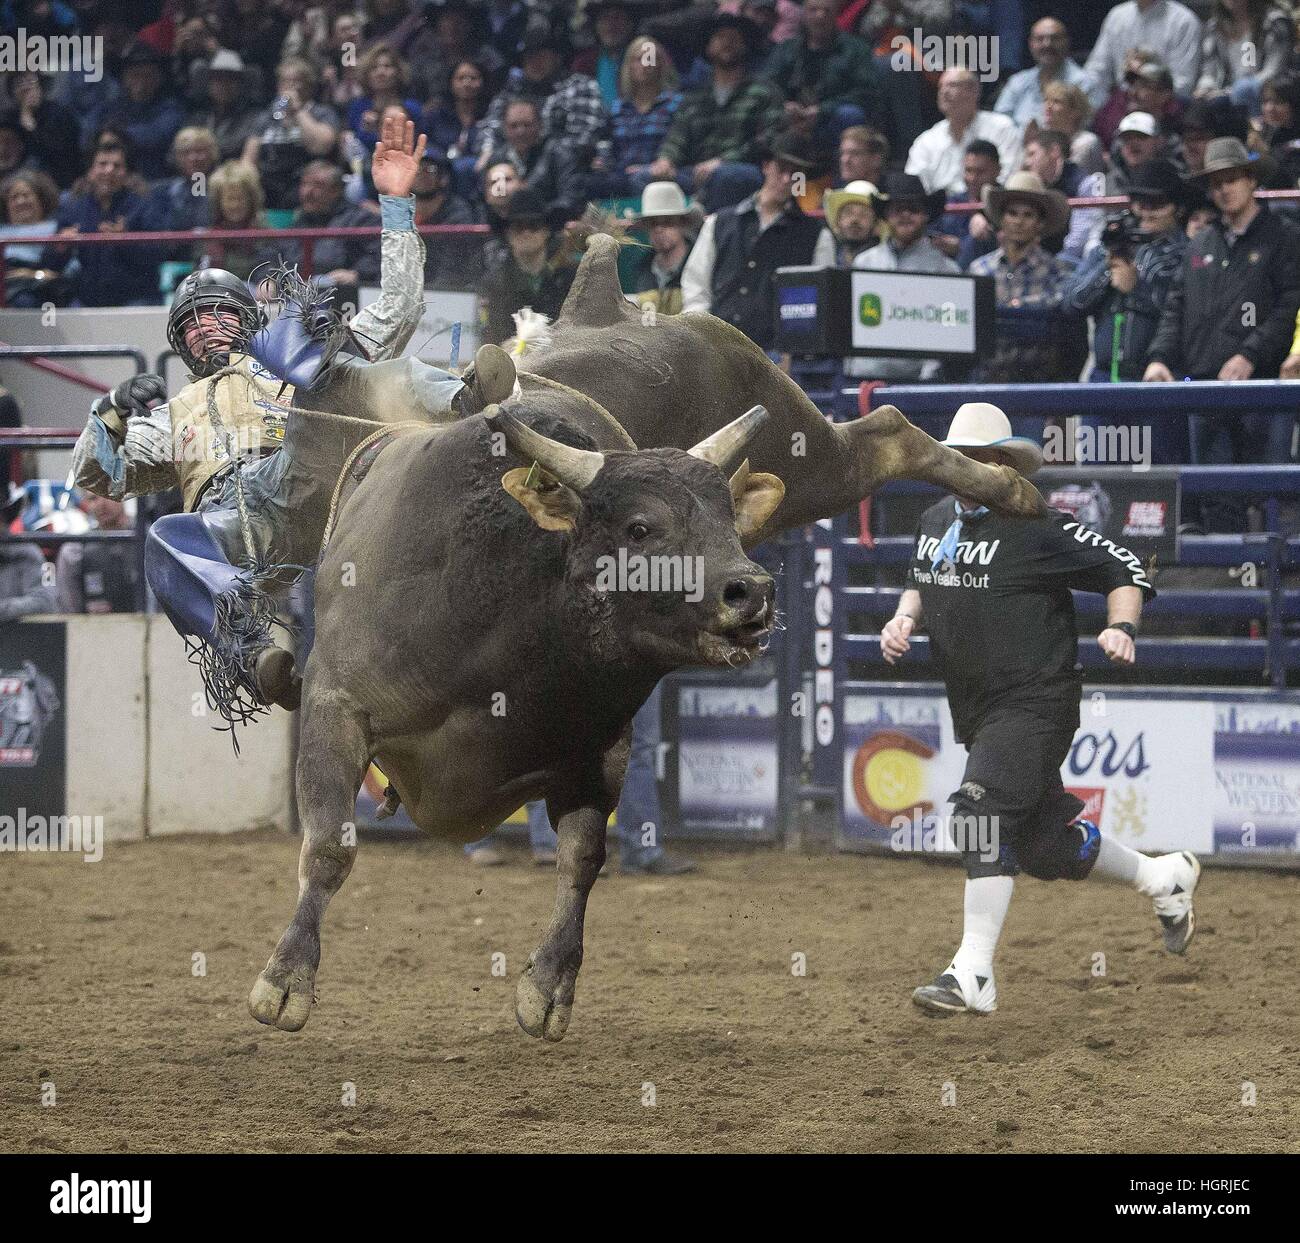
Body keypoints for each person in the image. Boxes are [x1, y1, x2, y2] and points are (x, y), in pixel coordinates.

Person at [69, 118, 514, 720]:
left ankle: (463, 406)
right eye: (191, 324)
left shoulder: (293, 365)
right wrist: (113, 411)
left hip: (319, 480)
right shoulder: (171, 414)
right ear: (181, 346)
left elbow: (401, 310)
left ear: (247, 319)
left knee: (335, 369)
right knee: (162, 541)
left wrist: (397, 205)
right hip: (240, 524)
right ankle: (250, 655)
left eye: (217, 313)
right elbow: (96, 477)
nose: (204, 328)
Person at [881, 401, 1198, 1017]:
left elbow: (1124, 568)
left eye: (972, 461)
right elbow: (922, 577)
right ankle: (1164, 878)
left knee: (977, 812)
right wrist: (903, 617)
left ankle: (973, 973)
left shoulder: (1038, 526)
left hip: (1037, 702)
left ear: (1001, 465)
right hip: (979, 709)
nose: (960, 472)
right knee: (1045, 844)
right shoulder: (934, 520)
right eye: (953, 461)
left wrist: (1121, 627)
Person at [1145, 137, 1300, 524]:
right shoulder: (1201, 242)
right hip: (1206, 385)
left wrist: (1251, 353)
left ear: (1251, 181)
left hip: (1263, 385)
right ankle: (1230, 577)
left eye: (1231, 179)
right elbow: (1177, 306)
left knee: (1268, 494)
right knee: (1217, 495)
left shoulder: (1283, 238)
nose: (1223, 189)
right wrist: (1160, 357)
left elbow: (1289, 307)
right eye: (1216, 182)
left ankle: (1267, 578)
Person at [467, 682, 697, 875]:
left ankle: (642, 849)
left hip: (642, 647)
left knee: (637, 748)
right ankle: (563, 847)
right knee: (571, 742)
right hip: (594, 644)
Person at [1066, 158, 1191, 463]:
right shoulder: (1110, 246)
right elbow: (1072, 303)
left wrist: (1135, 289)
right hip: (1105, 379)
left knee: (1158, 483)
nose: (1145, 210)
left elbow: (1182, 314)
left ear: (1176, 206)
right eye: (1139, 201)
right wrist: (1109, 271)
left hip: (1158, 380)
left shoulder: (1187, 253)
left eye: (1156, 202)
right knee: (1102, 482)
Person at [681, 133, 834, 349]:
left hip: (779, 355)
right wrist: (703, 337)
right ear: (766, 166)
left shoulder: (817, 235)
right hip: (719, 349)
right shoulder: (719, 223)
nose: (787, 179)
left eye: (796, 174)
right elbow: (696, 286)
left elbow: (818, 304)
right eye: (782, 169)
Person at [645, 11, 783, 213]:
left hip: (744, 171)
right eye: (719, 38)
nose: (726, 43)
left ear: (745, 46)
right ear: (707, 47)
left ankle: (710, 231)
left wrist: (723, 162)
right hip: (696, 173)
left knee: (725, 176)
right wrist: (666, 159)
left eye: (734, 38)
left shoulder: (764, 92)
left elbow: (768, 141)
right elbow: (677, 136)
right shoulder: (695, 97)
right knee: (645, 178)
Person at [968, 171, 1078, 388]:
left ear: (1039, 224)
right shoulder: (979, 269)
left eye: (1028, 215)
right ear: (1001, 219)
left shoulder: (1057, 271)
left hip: (1038, 382)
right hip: (986, 379)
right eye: (1012, 213)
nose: (1019, 221)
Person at [848, 172, 958, 382]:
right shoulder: (863, 263)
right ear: (887, 216)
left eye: (914, 209)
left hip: (919, 379)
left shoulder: (945, 268)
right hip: (866, 375)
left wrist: (929, 374)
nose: (905, 215)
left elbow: (949, 332)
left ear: (926, 215)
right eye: (898, 209)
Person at [42, 141, 165, 307]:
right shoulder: (74, 207)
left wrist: (125, 241)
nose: (109, 170)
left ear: (126, 174)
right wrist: (60, 247)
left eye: (117, 166)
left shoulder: (144, 205)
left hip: (136, 296)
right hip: (87, 298)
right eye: (102, 164)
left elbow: (158, 255)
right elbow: (50, 264)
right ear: (91, 172)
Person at [761, 0, 881, 154]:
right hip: (791, 119)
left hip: (831, 120)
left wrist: (822, 110)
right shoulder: (787, 48)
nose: (820, 16)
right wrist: (785, 105)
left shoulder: (855, 49)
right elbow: (766, 84)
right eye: (813, 10)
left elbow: (866, 92)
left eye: (826, 11)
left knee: (850, 114)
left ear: (836, 14)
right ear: (804, 14)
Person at [480, 187, 579, 346]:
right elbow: (496, 335)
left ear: (546, 231)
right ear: (508, 234)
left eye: (534, 225)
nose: (526, 232)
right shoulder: (495, 282)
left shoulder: (571, 277)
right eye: (518, 226)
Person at [241, 56, 341, 212]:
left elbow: (321, 146)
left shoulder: (322, 113)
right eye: (285, 81)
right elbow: (248, 159)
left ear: (309, 85)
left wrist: (298, 111)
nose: (290, 87)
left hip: (306, 186)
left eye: (296, 81)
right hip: (268, 187)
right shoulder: (267, 117)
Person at [905, 67, 1022, 196]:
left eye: (952, 85)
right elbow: (913, 185)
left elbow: (1010, 175)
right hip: (940, 212)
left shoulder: (1001, 128)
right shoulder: (926, 141)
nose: (944, 92)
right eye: (941, 87)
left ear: (974, 91)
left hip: (990, 207)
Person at [591, 35, 681, 198]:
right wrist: (602, 161)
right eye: (639, 59)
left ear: (661, 64)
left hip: (661, 173)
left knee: (640, 179)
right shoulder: (617, 109)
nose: (645, 65)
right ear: (629, 66)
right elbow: (609, 146)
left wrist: (658, 166)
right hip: (621, 175)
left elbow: (680, 144)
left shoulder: (676, 104)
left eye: (650, 58)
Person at [994, 16, 1105, 128]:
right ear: (1031, 44)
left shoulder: (1084, 83)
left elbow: (1086, 124)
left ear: (1066, 42)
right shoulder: (1017, 81)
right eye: (1040, 39)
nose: (1047, 44)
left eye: (1054, 38)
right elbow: (999, 121)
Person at [1085, 0, 1204, 100]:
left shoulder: (1184, 21)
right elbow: (1097, 71)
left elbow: (1183, 84)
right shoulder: (1117, 16)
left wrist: (1145, 94)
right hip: (1121, 103)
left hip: (1164, 107)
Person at [1195, 0, 1293, 115]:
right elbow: (1209, 70)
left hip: (1263, 91)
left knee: (1243, 91)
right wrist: (1205, 87)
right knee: (1197, 104)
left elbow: (1274, 70)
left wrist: (1233, 91)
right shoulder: (1215, 26)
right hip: (1224, 92)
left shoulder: (1274, 22)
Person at [1021, 128, 1105, 258]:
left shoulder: (1084, 183)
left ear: (1054, 151)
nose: (1027, 162)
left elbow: (1078, 240)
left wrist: (1055, 264)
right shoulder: (1031, 184)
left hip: (1068, 262)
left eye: (1032, 154)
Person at [625, 180, 700, 315]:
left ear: (683, 224)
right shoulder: (641, 269)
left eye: (668, 221)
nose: (659, 229)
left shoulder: (700, 267)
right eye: (652, 223)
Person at [55, 495, 140, 614]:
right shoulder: (76, 550)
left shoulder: (151, 540)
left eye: (108, 495)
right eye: (93, 499)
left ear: (124, 495)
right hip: (95, 628)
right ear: (86, 503)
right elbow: (69, 610)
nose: (101, 504)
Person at [931, 139, 1001, 268]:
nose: (973, 178)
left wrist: (962, 246)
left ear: (997, 170)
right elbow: (931, 237)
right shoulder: (950, 204)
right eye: (969, 171)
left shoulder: (1007, 207)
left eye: (980, 172)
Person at [186, 49, 262, 164]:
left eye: (231, 79)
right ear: (209, 83)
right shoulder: (198, 118)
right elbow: (175, 154)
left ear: (241, 85)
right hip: (199, 177)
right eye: (218, 79)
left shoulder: (253, 119)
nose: (224, 86)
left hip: (233, 178)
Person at [198, 160, 270, 282]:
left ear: (251, 200)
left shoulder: (264, 233)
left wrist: (267, 282)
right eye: (230, 199)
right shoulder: (207, 238)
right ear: (218, 202)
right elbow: (201, 273)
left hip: (253, 292)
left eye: (240, 198)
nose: (235, 205)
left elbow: (268, 266)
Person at [0, 170, 61, 308]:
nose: (20, 201)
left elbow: (68, 269)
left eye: (26, 195)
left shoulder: (56, 228)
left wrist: (32, 274)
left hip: (40, 287)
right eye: (14, 197)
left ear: (41, 199)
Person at [1041, 80, 1105, 177]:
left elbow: (1067, 178)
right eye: (1046, 100)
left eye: (1056, 101)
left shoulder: (1087, 142)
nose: (1048, 106)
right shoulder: (1040, 137)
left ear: (1075, 112)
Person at [822, 178, 879, 266]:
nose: (854, 219)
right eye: (848, 213)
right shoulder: (829, 258)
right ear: (838, 221)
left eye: (863, 214)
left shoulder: (883, 262)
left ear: (876, 225)